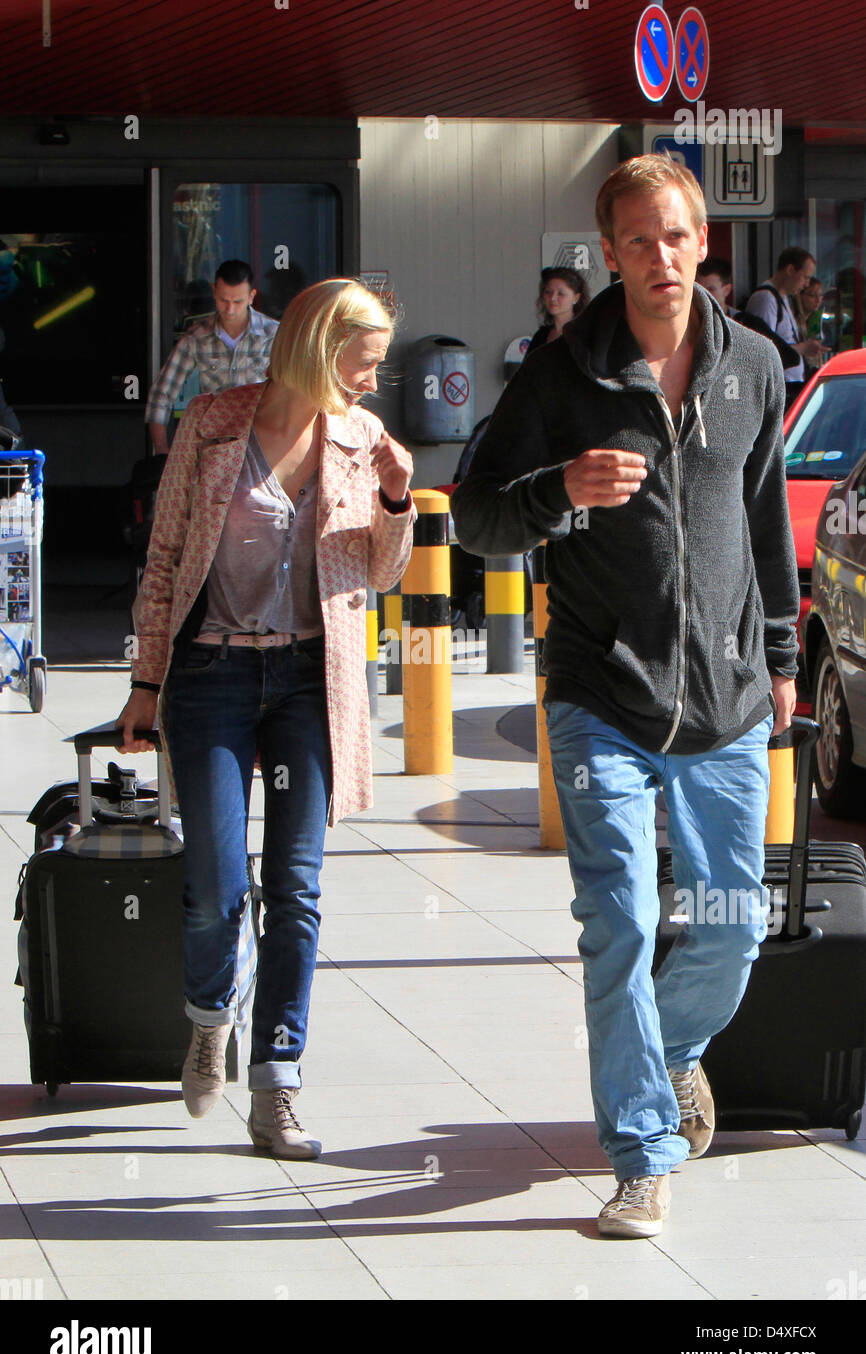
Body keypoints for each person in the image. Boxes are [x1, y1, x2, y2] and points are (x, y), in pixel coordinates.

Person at [452, 153, 799, 1238]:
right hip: (599, 686)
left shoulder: (752, 364)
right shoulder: (560, 376)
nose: (658, 257)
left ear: (705, 243)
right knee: (618, 918)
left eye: (675, 236)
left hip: (726, 695)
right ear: (606, 252)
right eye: (636, 240)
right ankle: (641, 1151)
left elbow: (760, 522)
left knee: (731, 925)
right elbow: (474, 516)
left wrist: (781, 658)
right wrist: (557, 490)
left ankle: (675, 1047)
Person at [115, 279, 415, 1157]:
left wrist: (397, 500)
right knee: (216, 885)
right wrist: (145, 682)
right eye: (365, 364)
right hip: (210, 674)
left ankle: (277, 1081)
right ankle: (212, 1015)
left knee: (297, 890)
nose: (373, 383)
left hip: (306, 681)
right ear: (322, 350)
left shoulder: (364, 443)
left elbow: (383, 573)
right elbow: (166, 556)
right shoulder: (213, 423)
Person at [145, 259, 279, 454]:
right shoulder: (197, 338)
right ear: (214, 291)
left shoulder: (273, 335)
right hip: (214, 450)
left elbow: (293, 390)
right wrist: (161, 449)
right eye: (224, 300)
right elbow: (161, 393)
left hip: (261, 447)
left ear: (251, 297)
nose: (230, 309)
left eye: (237, 301)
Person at [743, 248, 825, 409]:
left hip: (792, 383)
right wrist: (803, 349)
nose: (806, 284)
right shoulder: (766, 299)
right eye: (805, 277)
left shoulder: (784, 298)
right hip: (782, 387)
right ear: (790, 270)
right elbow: (763, 349)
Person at [526, 266, 590, 354]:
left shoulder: (585, 334)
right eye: (548, 292)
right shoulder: (541, 335)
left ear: (576, 297)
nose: (553, 298)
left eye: (561, 294)